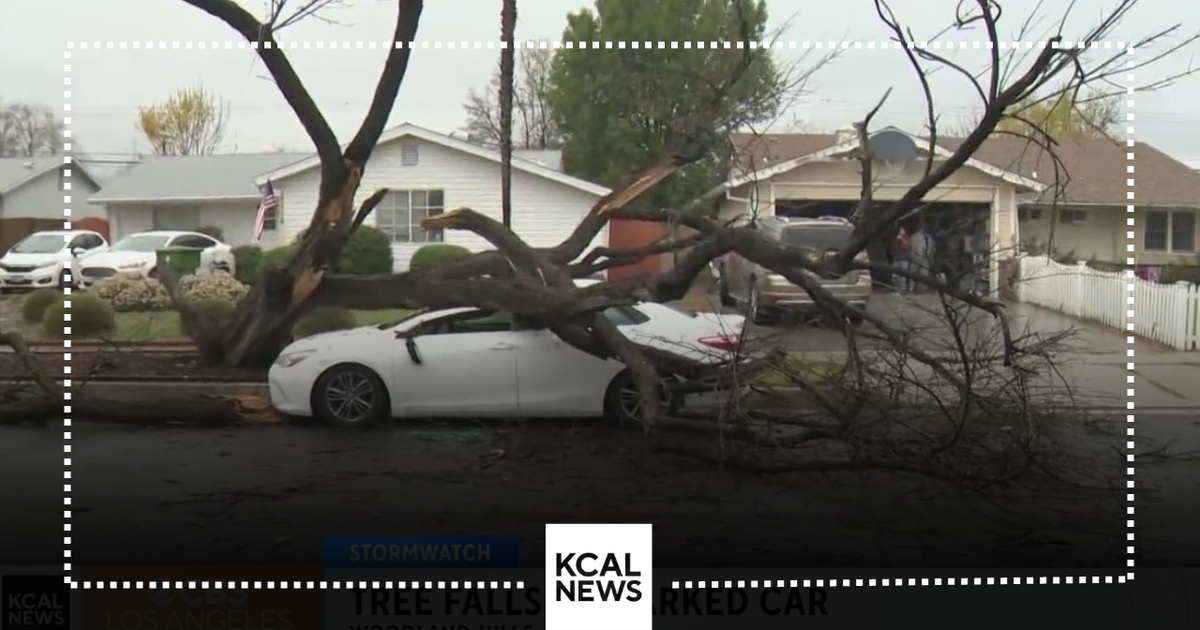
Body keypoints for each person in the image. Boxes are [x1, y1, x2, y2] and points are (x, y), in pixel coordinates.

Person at [892, 227, 913, 293]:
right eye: (900, 231)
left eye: (902, 231)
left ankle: (902, 289)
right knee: (896, 274)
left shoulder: (907, 239)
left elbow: (908, 248)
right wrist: (897, 241)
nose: (901, 233)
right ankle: (896, 288)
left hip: (904, 259)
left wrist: (903, 241)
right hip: (897, 258)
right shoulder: (896, 239)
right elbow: (893, 248)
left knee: (903, 275)